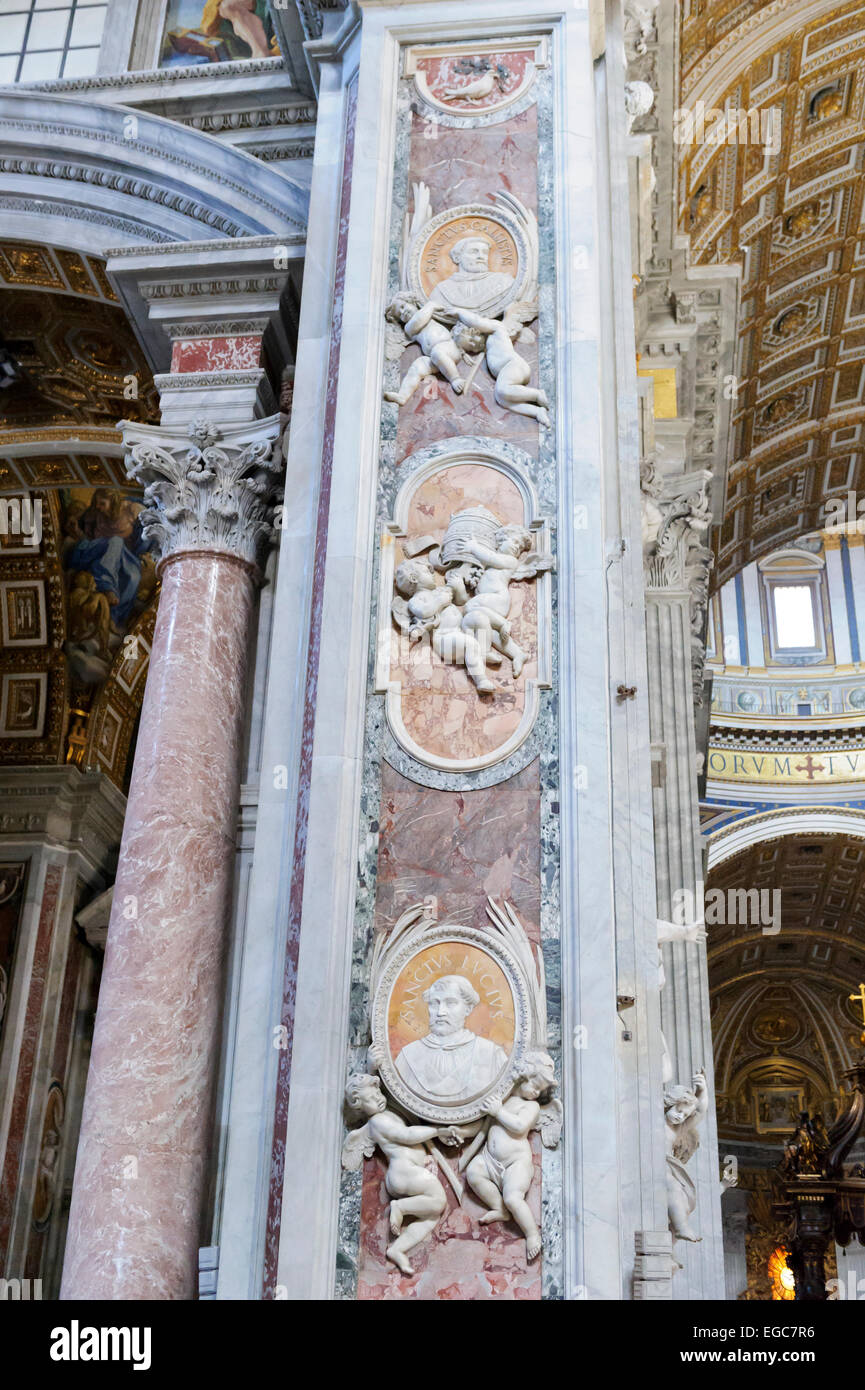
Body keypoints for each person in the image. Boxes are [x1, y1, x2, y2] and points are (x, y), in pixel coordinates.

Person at [395, 974, 507, 1102]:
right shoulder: (409, 1055)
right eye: (434, 1004)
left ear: (468, 1009)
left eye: (451, 1003)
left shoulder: (491, 1054)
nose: (440, 1012)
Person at [430, 237, 515, 313]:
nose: (481, 257)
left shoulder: (502, 282)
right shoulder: (441, 290)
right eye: (474, 252)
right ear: (457, 258)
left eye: (485, 252)